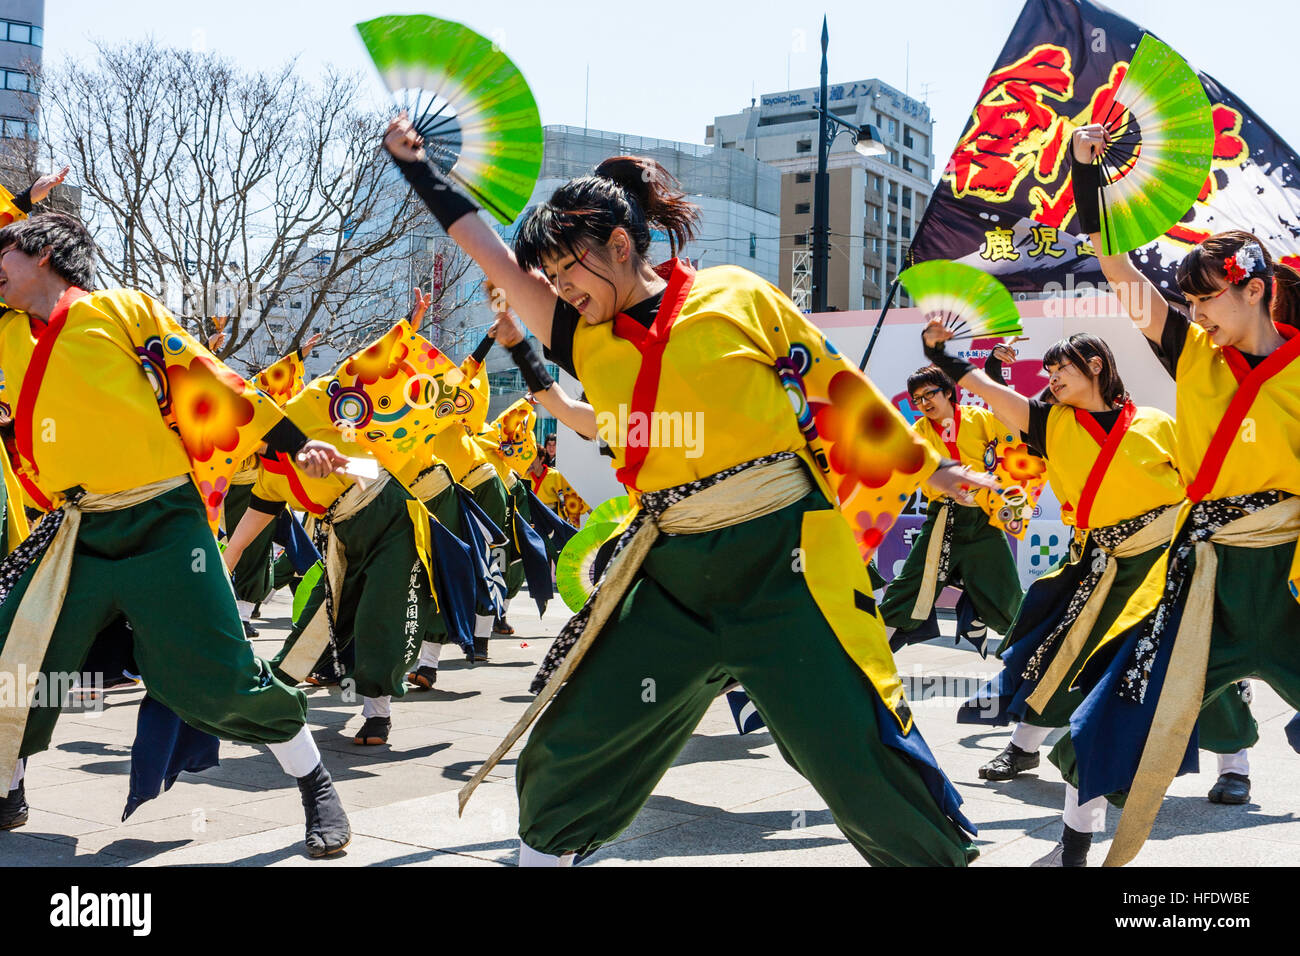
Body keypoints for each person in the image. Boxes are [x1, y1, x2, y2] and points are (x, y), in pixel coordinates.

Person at [383, 113, 1001, 866]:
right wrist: (421, 170)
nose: (556, 285)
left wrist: (936, 470)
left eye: (567, 267)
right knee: (574, 740)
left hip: (787, 564)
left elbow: (838, 390)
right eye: (546, 271)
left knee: (854, 746)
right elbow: (480, 245)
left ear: (619, 244)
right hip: (672, 571)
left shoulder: (738, 296)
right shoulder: (578, 332)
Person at [0, 212, 351, 857]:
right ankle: (6, 786)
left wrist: (294, 445)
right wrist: (20, 196)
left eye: (4, 250)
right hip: (75, 528)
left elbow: (203, 379)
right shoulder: (5, 334)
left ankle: (314, 782)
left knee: (219, 673)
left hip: (163, 520)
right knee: (13, 656)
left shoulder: (119, 310)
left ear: (45, 251)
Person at [1041, 125, 1300, 867]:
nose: (1195, 315)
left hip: (1287, 581)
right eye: (1186, 304)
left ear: (1256, 289)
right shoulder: (1193, 353)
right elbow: (1117, 270)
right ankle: (1071, 848)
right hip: (1205, 579)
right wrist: (1085, 179)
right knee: (1120, 709)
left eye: (1207, 300)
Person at [926, 326, 1256, 866]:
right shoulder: (1049, 424)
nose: (1050, 378)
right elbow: (990, 392)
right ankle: (1032, 755)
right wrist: (947, 359)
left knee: (1193, 669)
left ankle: (1234, 767)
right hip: (1103, 567)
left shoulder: (1156, 424)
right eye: (1049, 371)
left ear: (1097, 367)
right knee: (1063, 659)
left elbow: (1207, 486)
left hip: (1170, 565)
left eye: (1062, 369)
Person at [221, 365, 436, 749]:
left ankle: (378, 714)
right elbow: (248, 528)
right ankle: (274, 692)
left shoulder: (309, 406)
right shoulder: (267, 475)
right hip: (344, 536)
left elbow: (375, 467)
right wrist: (225, 565)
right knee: (322, 613)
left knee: (379, 613)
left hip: (390, 517)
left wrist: (340, 462)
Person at [876, 366, 1033, 654]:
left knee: (1007, 596)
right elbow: (903, 471)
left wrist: (995, 368)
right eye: (917, 399)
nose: (924, 403)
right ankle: (869, 662)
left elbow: (1013, 438)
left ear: (948, 392)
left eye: (929, 394)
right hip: (943, 519)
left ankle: (1033, 661)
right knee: (908, 589)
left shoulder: (979, 419)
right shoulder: (917, 433)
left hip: (982, 519)